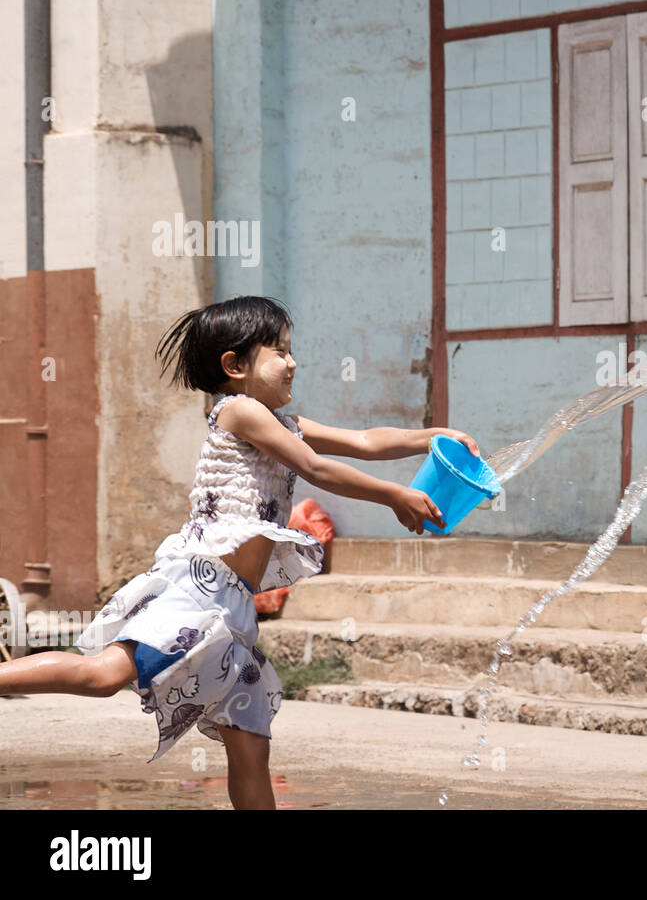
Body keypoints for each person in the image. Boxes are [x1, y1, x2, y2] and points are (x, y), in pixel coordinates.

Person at [0, 295, 481, 809]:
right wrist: (392, 494)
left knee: (250, 748)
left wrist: (429, 437)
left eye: (291, 350)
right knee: (103, 675)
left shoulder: (283, 422)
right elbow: (316, 469)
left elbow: (364, 440)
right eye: (279, 351)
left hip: (232, 614)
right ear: (234, 366)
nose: (292, 362)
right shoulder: (240, 411)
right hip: (197, 589)